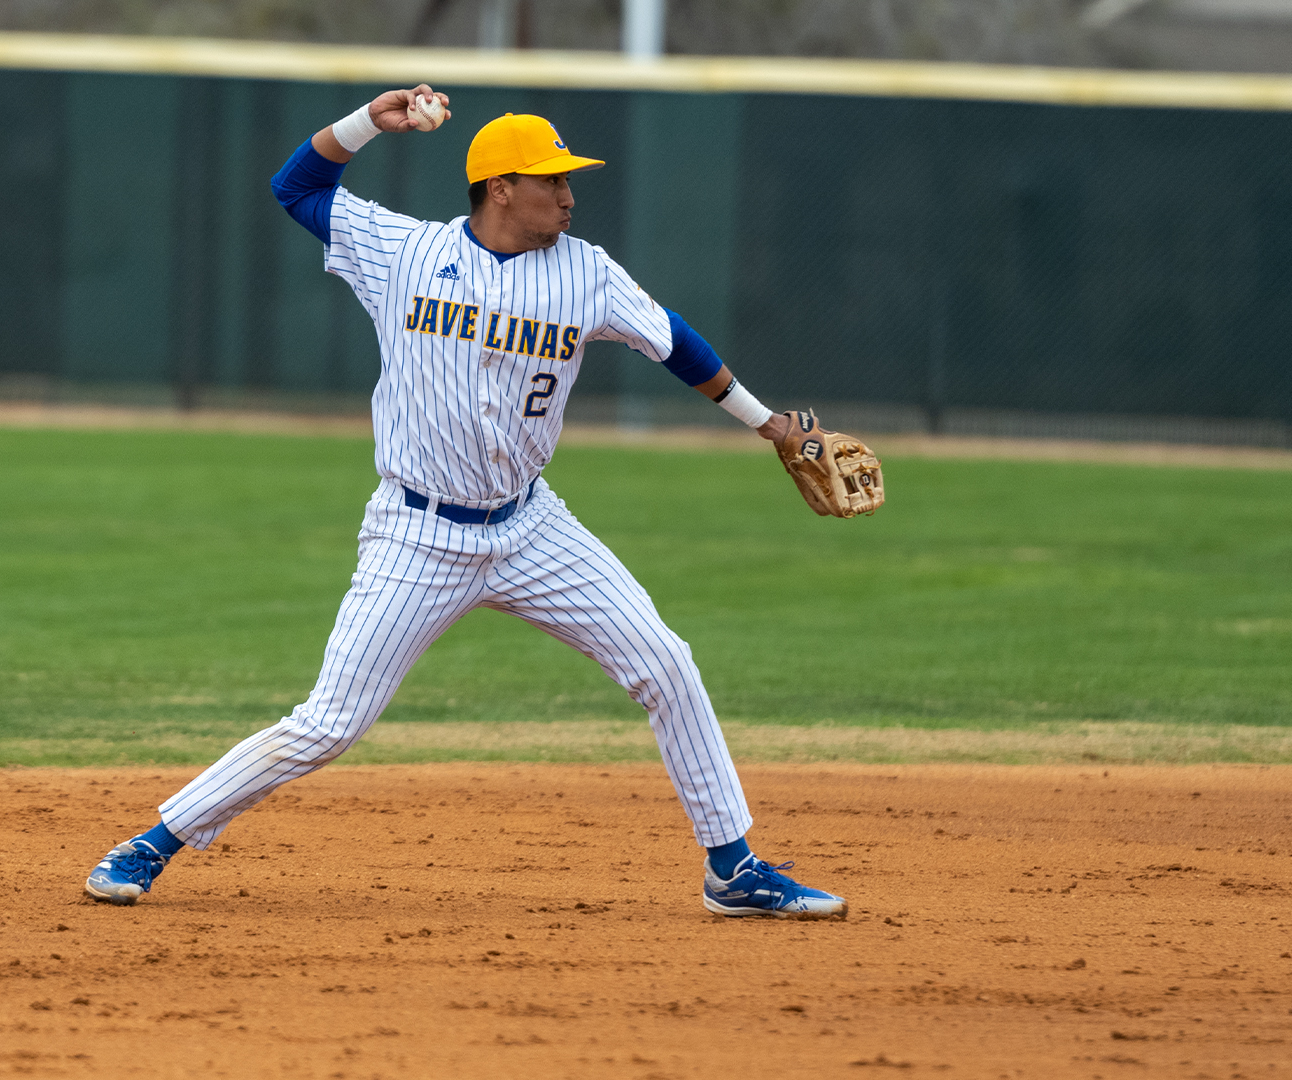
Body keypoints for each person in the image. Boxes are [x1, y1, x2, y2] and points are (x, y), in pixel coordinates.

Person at [85, 85, 846, 920]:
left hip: (531, 527)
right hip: (416, 535)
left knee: (666, 664)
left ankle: (733, 868)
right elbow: (295, 188)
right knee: (329, 723)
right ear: (500, 189)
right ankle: (153, 842)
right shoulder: (404, 252)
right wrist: (367, 123)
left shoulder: (587, 272)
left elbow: (676, 344)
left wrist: (771, 425)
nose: (569, 195)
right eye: (551, 180)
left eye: (568, 179)